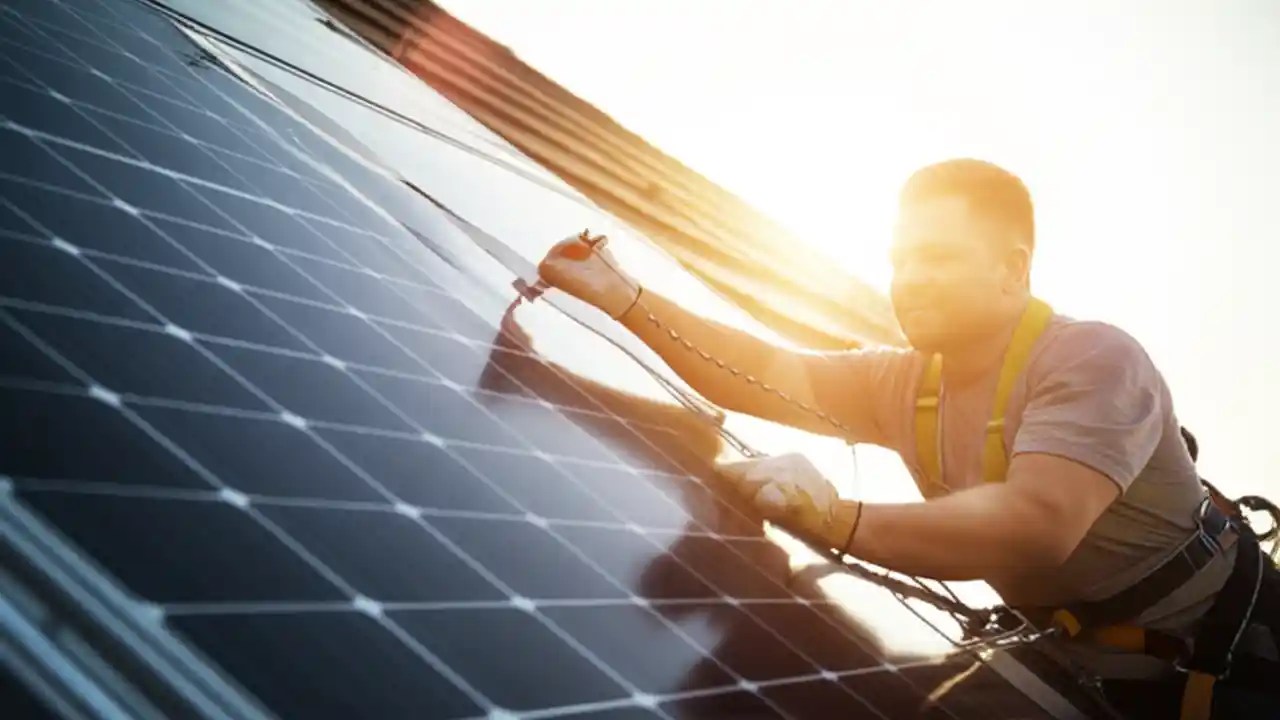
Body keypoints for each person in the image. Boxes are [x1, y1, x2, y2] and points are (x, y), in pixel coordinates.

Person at [535, 158, 1279, 718]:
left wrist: (836, 519)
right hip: (1079, 671)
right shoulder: (908, 383)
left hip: (1234, 671)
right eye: (899, 259)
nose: (909, 279)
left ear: (1011, 270)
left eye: (938, 257)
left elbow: (1036, 524)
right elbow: (758, 372)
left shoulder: (1093, 359)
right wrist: (624, 298)